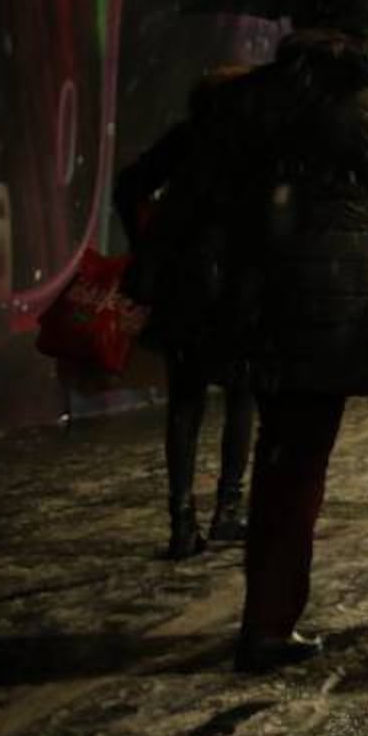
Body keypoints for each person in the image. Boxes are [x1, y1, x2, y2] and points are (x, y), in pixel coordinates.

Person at [222, 0, 368, 673]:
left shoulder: (255, 96)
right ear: (357, 38)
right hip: (331, 306)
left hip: (260, 294)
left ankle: (266, 611)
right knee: (300, 463)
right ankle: (270, 623)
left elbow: (224, 187)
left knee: (275, 456)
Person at [114, 66, 259, 560]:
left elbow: (127, 186)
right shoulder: (255, 145)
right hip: (238, 283)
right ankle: (228, 509)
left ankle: (181, 522)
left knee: (185, 401)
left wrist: (147, 244)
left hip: (183, 284)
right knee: (243, 394)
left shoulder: (186, 138)